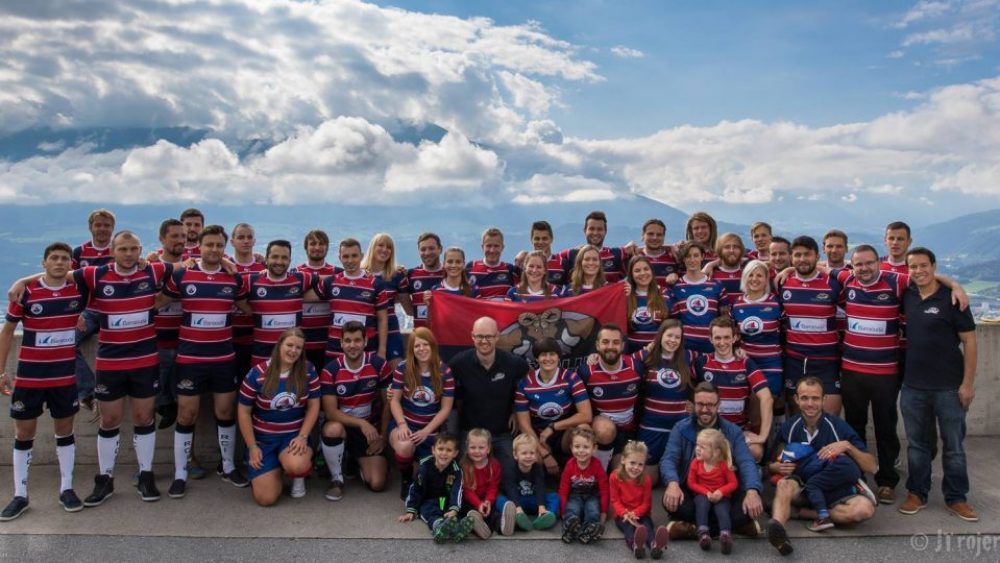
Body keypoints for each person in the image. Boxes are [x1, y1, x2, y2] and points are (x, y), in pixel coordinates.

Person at [160, 225, 251, 498]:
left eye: (219, 245)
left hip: (224, 358)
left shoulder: (233, 277)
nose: (214, 249)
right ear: (198, 246)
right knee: (187, 414)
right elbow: (156, 301)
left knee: (225, 412)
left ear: (225, 247)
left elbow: (251, 308)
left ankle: (228, 467)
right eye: (209, 244)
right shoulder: (183, 274)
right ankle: (180, 473)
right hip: (190, 358)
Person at [0, 243, 88, 520]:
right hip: (30, 378)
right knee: (24, 434)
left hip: (64, 377)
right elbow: (7, 331)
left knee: (65, 431)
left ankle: (67, 489)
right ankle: (20, 495)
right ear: (45, 262)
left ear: (71, 264)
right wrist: (1, 371)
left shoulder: (78, 291)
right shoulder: (26, 292)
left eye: (64, 259)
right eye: (54, 258)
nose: (59, 262)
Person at [899, 247, 979, 522]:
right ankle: (917, 493)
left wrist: (967, 384)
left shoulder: (952, 299)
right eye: (913, 266)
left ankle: (956, 498)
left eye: (924, 265)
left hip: (949, 387)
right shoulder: (907, 295)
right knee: (917, 445)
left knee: (953, 446)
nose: (919, 271)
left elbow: (970, 341)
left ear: (934, 266)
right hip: (913, 386)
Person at [766, 377, 877, 556]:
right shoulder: (789, 426)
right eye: (805, 398)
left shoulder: (838, 426)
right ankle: (778, 530)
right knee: (783, 484)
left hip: (836, 487)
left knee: (864, 510)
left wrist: (848, 446)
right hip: (803, 485)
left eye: (815, 398)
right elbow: (769, 463)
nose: (810, 404)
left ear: (824, 400)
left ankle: (802, 513)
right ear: (796, 399)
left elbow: (872, 466)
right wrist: (775, 468)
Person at [836, 244, 907, 503]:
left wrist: (955, 286)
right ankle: (858, 477)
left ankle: (887, 481)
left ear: (880, 263)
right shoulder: (846, 280)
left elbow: (930, 278)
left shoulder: (896, 281)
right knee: (854, 427)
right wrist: (787, 269)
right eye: (858, 264)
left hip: (885, 373)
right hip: (852, 371)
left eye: (869, 263)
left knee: (885, 428)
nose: (864, 268)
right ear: (851, 266)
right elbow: (821, 268)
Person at [659, 382, 764, 541]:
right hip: (694, 492)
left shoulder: (733, 431)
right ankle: (730, 528)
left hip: (725, 494)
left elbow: (746, 462)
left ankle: (692, 529)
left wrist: (752, 491)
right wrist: (672, 483)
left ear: (718, 404)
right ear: (694, 403)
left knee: (749, 506)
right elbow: (668, 459)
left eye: (710, 405)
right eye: (700, 404)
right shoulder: (680, 428)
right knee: (670, 501)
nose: (704, 409)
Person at [237, 329, 320, 505]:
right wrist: (252, 446)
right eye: (289, 345)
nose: (293, 351)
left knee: (296, 465)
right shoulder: (257, 373)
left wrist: (303, 436)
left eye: (298, 348)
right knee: (266, 499)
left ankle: (296, 474)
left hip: (293, 436)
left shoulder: (308, 370)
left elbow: (314, 406)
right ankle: (275, 469)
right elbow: (243, 411)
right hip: (264, 439)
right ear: (279, 345)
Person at [319, 321, 392, 499]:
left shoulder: (379, 365)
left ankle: (355, 460)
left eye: (357, 340)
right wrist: (361, 423)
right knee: (332, 429)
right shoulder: (330, 370)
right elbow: (330, 412)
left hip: (369, 431)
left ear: (365, 341)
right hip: (343, 426)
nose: (352, 345)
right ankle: (337, 479)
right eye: (348, 341)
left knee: (377, 483)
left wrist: (382, 437)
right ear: (341, 343)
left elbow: (387, 404)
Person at [447, 317, 527, 477]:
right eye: (480, 336)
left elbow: (526, 390)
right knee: (464, 478)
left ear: (497, 336)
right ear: (472, 336)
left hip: (502, 433)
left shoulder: (514, 364)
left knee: (511, 475)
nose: (484, 341)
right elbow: (448, 395)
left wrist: (516, 412)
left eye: (489, 336)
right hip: (471, 434)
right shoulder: (458, 364)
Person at [775, 236, 842, 414]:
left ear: (817, 256)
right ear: (791, 257)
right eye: (797, 255)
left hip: (826, 361)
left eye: (807, 254)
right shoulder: (782, 282)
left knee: (828, 418)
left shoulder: (832, 283)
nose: (802, 259)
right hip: (795, 360)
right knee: (799, 417)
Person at [388, 327, 455, 499]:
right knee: (405, 446)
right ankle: (405, 479)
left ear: (433, 346)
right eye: (417, 346)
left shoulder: (445, 371)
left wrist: (426, 431)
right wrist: (402, 425)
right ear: (411, 349)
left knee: (429, 480)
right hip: (405, 424)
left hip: (429, 429)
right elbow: (394, 400)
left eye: (425, 344)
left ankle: (417, 474)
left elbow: (446, 408)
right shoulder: (403, 368)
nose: (422, 349)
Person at [693, 317, 772, 462]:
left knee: (756, 451)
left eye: (726, 337)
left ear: (734, 338)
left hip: (738, 429)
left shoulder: (746, 363)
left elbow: (766, 397)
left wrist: (763, 435)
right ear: (710, 339)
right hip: (709, 430)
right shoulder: (701, 363)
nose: (722, 342)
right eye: (717, 338)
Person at [514, 338, 593, 475]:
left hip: (563, 434)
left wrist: (553, 427)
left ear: (558, 357)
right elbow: (524, 425)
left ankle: (584, 478)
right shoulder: (525, 384)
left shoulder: (571, 378)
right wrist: (544, 453)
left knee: (584, 430)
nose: (548, 358)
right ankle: (538, 483)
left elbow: (586, 415)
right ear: (537, 358)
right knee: (532, 456)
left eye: (552, 354)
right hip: (538, 436)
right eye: (543, 355)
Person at [635, 319, 696, 485]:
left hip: (679, 427)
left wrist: (695, 403)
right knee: (649, 481)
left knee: (680, 480)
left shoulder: (689, 357)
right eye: (669, 335)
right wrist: (594, 356)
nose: (673, 340)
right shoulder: (646, 355)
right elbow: (623, 363)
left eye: (677, 337)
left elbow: (712, 366)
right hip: (651, 427)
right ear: (660, 335)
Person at [576, 323, 642, 471]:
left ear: (622, 345)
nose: (610, 346)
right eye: (605, 342)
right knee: (605, 430)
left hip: (628, 430)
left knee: (623, 476)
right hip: (601, 431)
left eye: (616, 342)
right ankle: (597, 472)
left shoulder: (636, 366)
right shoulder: (586, 371)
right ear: (597, 345)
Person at [246, 240, 318, 366]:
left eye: (284, 258)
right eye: (275, 257)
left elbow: (332, 281)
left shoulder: (301, 279)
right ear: (266, 259)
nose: (279, 262)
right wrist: (253, 311)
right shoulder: (250, 281)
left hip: (293, 359)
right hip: (262, 359)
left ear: (290, 261)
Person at [314, 238, 389, 361]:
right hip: (335, 352)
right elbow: (304, 296)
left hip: (366, 352)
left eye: (354, 256)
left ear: (361, 256)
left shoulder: (376, 285)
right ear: (340, 258)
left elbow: (382, 319)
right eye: (345, 256)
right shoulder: (330, 282)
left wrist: (382, 350)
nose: (350, 260)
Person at [71, 208, 116, 409]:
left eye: (107, 225)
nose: (102, 229)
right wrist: (75, 313)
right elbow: (69, 283)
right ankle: (89, 391)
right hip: (88, 312)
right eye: (98, 225)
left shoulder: (119, 250)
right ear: (90, 227)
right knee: (67, 342)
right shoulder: (79, 252)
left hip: (113, 312)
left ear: (113, 228)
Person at [398, 433, 475, 544]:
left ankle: (458, 529)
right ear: (433, 450)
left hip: (445, 500)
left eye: (449, 450)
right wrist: (411, 509)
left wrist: (454, 509)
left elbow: (457, 491)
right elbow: (415, 488)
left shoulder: (456, 470)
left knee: (453, 513)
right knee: (429, 511)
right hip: (427, 500)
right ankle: (438, 527)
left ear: (455, 453)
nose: (444, 453)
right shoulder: (424, 466)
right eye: (440, 449)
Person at [729, 260, 784, 401]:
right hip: (746, 362)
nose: (754, 279)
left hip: (771, 364)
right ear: (744, 277)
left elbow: (786, 331)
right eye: (750, 275)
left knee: (767, 404)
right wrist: (735, 349)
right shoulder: (736, 304)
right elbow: (731, 334)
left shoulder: (776, 303)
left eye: (759, 275)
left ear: (766, 279)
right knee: (749, 406)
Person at [152, 219, 187, 428]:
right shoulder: (151, 267)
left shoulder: (192, 266)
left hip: (184, 340)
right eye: (174, 236)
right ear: (162, 239)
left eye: (183, 236)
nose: (180, 240)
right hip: (157, 339)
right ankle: (164, 404)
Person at [610, 440, 670, 559]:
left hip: (641, 513)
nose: (636, 467)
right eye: (632, 463)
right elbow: (615, 501)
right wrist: (625, 514)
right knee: (628, 528)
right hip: (623, 515)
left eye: (640, 464)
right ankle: (635, 546)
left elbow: (646, 503)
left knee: (647, 527)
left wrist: (636, 513)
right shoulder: (615, 477)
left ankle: (655, 545)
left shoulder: (646, 479)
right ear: (623, 460)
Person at [668, 241, 727, 354]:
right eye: (688, 256)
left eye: (696, 255)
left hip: (711, 345)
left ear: (702, 257)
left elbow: (725, 318)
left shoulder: (717, 285)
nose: (692, 259)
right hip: (684, 346)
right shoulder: (676, 286)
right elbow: (673, 319)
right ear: (683, 259)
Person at [295, 229, 340, 370]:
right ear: (306, 247)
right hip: (302, 342)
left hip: (329, 342)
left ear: (327, 247)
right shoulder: (295, 273)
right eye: (313, 243)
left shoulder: (338, 273)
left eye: (321, 244)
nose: (317, 247)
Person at [497, 434, 560, 535]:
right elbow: (511, 489)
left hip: (533, 500)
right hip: (517, 500)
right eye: (524, 453)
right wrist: (518, 508)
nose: (528, 456)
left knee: (554, 497)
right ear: (515, 455)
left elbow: (540, 488)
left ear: (536, 455)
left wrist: (541, 507)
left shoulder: (537, 468)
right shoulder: (510, 469)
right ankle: (515, 517)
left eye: (532, 453)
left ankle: (546, 516)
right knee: (500, 500)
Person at [688, 428, 738, 554]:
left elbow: (733, 483)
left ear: (716, 452)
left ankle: (725, 536)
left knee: (722, 509)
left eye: (702, 447)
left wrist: (720, 492)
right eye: (697, 445)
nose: (698, 449)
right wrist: (706, 492)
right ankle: (703, 534)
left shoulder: (723, 465)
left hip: (721, 495)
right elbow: (691, 483)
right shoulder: (695, 463)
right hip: (703, 494)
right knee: (702, 504)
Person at [228, 223, 266, 385]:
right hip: (229, 339)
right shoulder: (225, 265)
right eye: (241, 237)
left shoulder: (263, 267)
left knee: (254, 382)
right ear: (232, 242)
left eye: (249, 237)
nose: (245, 241)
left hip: (255, 339)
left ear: (254, 241)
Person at [361, 233, 407, 367]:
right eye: (380, 245)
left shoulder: (397, 275)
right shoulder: (360, 274)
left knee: (397, 371)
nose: (385, 249)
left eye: (389, 247)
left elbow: (407, 306)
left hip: (391, 331)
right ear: (372, 248)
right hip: (368, 332)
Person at [559, 426, 609, 545]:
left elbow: (604, 489)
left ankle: (590, 531)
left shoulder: (597, 465)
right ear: (571, 447)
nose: (581, 451)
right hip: (574, 495)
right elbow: (563, 489)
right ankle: (570, 529)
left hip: (592, 496)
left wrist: (603, 512)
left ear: (594, 448)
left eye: (586, 447)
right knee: (572, 509)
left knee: (593, 510)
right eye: (577, 447)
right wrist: (563, 511)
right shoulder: (570, 465)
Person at [559, 211, 629, 283]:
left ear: (605, 231)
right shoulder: (572, 254)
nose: (595, 233)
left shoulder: (617, 254)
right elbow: (553, 259)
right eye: (591, 229)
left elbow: (635, 268)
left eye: (599, 229)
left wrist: (632, 247)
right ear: (585, 230)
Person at [459, 428, 502, 539]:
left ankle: (502, 526)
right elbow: (467, 491)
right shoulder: (464, 465)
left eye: (481, 448)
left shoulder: (494, 465)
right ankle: (477, 526)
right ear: (467, 448)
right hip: (470, 500)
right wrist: (478, 504)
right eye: (473, 447)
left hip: (486, 499)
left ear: (488, 449)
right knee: (467, 511)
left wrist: (487, 502)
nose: (477, 451)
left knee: (493, 513)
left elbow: (493, 487)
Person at [397, 232, 444, 330]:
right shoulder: (411, 275)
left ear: (440, 249)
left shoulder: (450, 274)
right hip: (421, 335)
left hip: (445, 334)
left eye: (431, 248)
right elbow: (409, 311)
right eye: (423, 249)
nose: (427, 253)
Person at [624, 255, 669, 353]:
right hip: (631, 352)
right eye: (637, 271)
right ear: (631, 275)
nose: (643, 273)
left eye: (646, 269)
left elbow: (671, 325)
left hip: (657, 352)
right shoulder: (625, 295)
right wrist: (624, 299)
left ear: (651, 271)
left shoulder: (664, 293)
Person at [466, 228, 519, 301]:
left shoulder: (511, 270)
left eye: (496, 246)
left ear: (502, 247)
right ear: (482, 247)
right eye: (488, 246)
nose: (492, 250)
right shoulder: (470, 268)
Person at [637, 218, 680, 288]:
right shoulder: (635, 258)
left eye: (659, 235)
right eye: (650, 234)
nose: (655, 237)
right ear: (643, 235)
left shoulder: (674, 257)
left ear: (664, 237)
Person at [710, 233, 747, 305]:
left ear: (741, 250)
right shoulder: (711, 274)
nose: (731, 250)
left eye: (735, 247)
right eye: (727, 247)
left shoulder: (749, 274)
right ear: (720, 250)